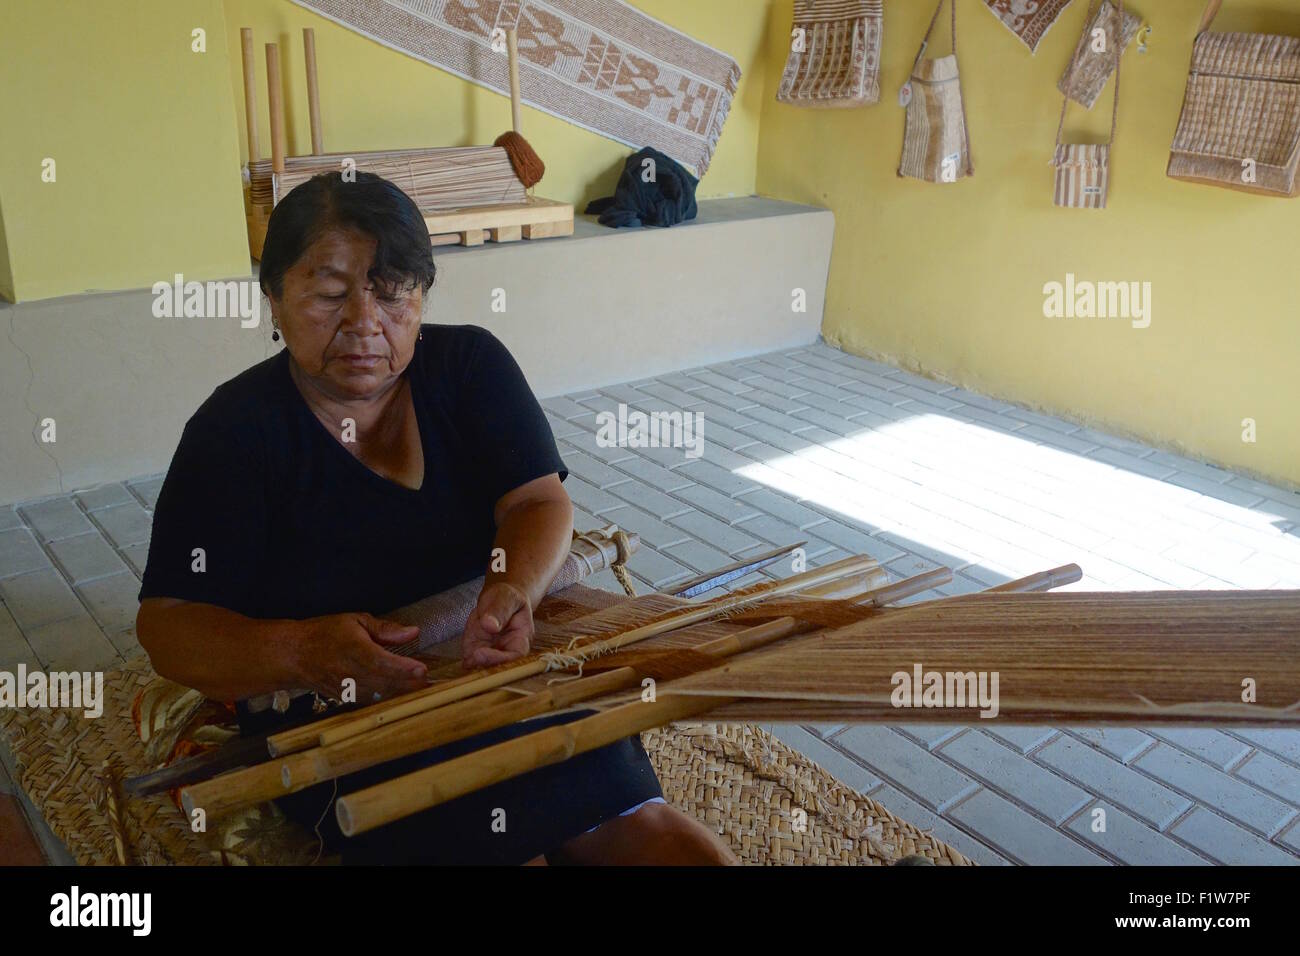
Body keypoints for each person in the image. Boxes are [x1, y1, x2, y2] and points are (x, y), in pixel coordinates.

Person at [136, 171, 735, 865]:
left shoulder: (468, 366)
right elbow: (170, 625)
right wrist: (301, 651)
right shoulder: (235, 433)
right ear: (273, 297)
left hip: (496, 670)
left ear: (422, 297)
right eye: (329, 294)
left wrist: (513, 588)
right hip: (343, 708)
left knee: (651, 834)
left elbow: (536, 501)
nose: (365, 324)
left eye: (393, 295)